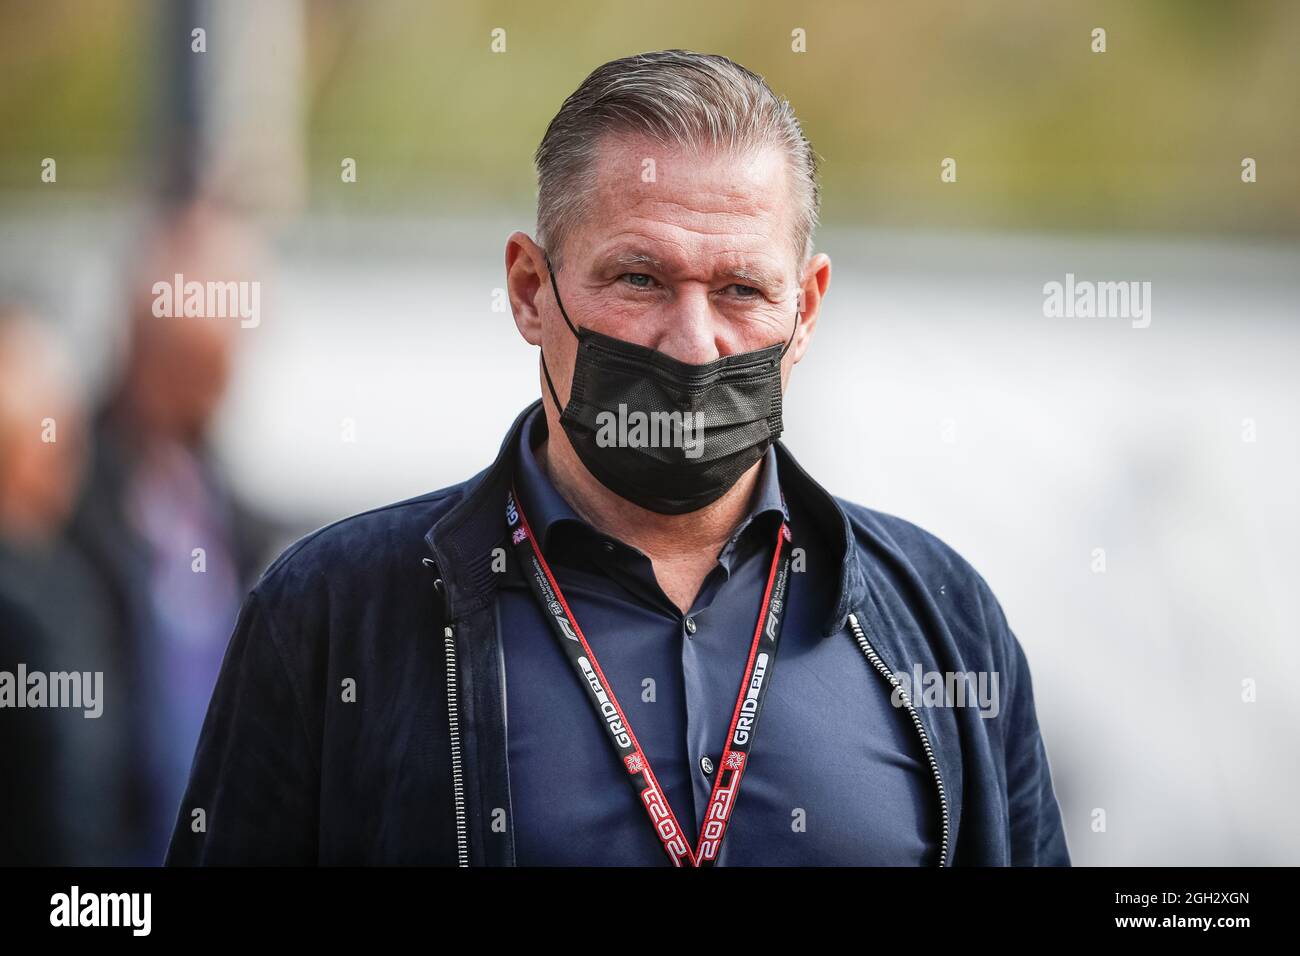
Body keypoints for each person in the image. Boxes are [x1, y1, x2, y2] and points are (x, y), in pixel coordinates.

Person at [166, 50, 1070, 866]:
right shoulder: (338, 613)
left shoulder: (941, 620)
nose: (694, 341)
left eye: (741, 289)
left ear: (808, 309)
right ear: (530, 291)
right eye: (639, 278)